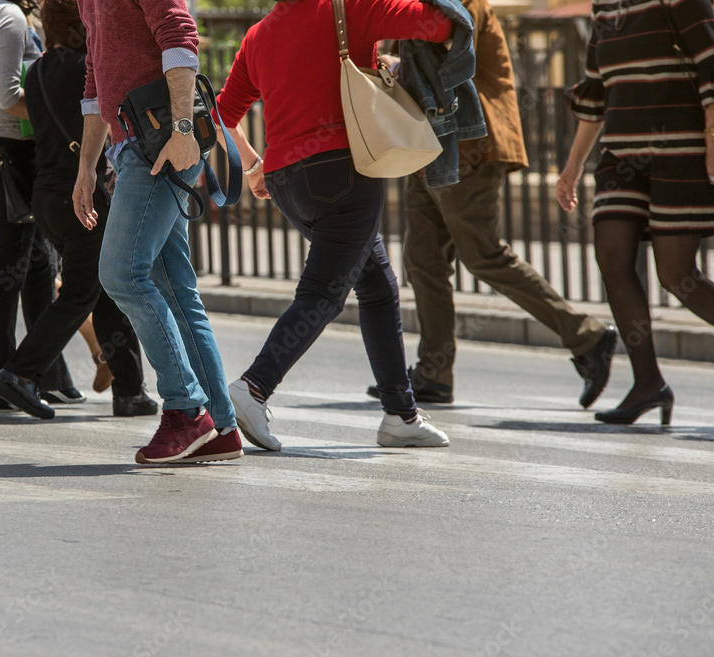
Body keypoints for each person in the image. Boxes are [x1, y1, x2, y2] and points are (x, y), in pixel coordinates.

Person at [214, 0, 454, 451]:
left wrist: (254, 164)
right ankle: (252, 388)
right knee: (324, 293)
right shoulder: (351, 7)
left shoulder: (259, 34)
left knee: (378, 287)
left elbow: (221, 116)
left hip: (288, 183)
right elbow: (440, 24)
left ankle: (400, 415)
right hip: (344, 172)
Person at [380, 0, 617, 409]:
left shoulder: (456, 2)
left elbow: (443, 58)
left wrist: (393, 64)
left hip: (468, 145)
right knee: (423, 259)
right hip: (427, 146)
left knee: (484, 254)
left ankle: (587, 335)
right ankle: (434, 373)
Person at [74, 0, 243, 464]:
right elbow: (95, 75)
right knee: (175, 290)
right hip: (134, 143)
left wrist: (185, 127)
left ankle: (187, 411)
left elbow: (180, 36)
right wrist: (87, 166)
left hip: (163, 139)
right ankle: (222, 428)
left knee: (122, 274)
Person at [0, 0, 159, 419]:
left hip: (48, 195)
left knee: (105, 291)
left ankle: (129, 389)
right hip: (84, 194)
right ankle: (21, 373)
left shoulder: (37, 72)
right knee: (80, 293)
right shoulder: (89, 65)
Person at [557, 0, 714, 425]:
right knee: (611, 254)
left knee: (678, 275)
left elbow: (711, 65)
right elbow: (594, 95)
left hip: (680, 152)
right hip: (620, 158)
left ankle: (650, 385)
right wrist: (571, 170)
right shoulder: (605, 11)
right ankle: (648, 383)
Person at [0, 0, 77, 415]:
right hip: (7, 151)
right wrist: (52, 117)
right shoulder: (7, 16)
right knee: (9, 270)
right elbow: (7, 95)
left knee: (37, 263)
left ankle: (53, 376)